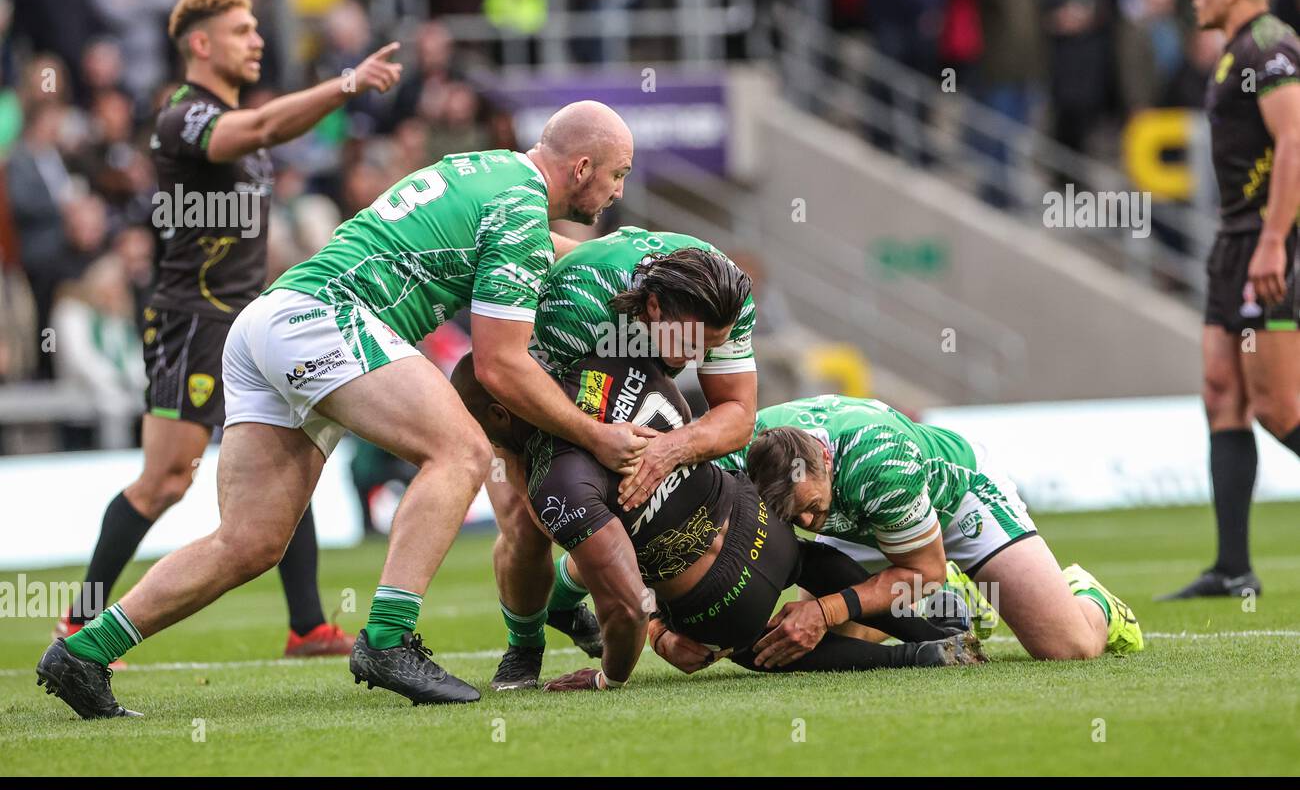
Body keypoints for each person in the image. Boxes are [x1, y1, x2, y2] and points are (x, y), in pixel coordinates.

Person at [36, 99, 650, 719]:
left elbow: (551, 252)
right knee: (460, 452)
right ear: (580, 166)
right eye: (617, 173)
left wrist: (639, 260)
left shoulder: (490, 173)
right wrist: (594, 436)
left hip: (268, 322)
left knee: (247, 543)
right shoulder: (518, 207)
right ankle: (387, 639)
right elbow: (499, 367)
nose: (618, 190)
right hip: (325, 319)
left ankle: (83, 653)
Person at [57, 0, 402, 659]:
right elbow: (267, 127)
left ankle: (306, 627)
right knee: (165, 480)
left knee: (290, 453)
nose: (258, 40)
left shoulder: (239, 124)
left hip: (249, 320)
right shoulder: (181, 117)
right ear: (201, 44)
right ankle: (78, 620)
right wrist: (346, 84)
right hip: (193, 321)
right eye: (243, 30)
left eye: (256, 28)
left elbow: (269, 132)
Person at [451, 354, 985, 692]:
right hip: (761, 525)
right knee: (811, 558)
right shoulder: (609, 367)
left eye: (486, 432)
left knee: (751, 645)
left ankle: (913, 658)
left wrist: (616, 669)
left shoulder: (554, 485)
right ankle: (944, 633)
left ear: (499, 418)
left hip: (718, 604)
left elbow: (626, 602)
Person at [488, 229, 759, 690]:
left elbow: (738, 414)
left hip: (629, 376)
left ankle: (566, 599)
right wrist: (592, 438)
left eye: (709, 347)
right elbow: (512, 393)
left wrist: (671, 448)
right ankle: (524, 645)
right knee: (525, 521)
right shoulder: (574, 303)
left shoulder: (726, 298)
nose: (697, 359)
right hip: (542, 385)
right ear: (653, 307)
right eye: (690, 343)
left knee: (631, 497)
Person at [701, 395, 1143, 665]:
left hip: (958, 502)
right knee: (835, 643)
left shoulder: (881, 463)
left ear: (826, 460)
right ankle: (954, 602)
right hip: (868, 522)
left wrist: (826, 609)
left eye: (812, 510)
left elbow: (923, 569)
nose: (808, 526)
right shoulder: (741, 451)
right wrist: (666, 626)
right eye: (792, 517)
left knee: (1068, 647)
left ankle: (1089, 597)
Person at [1161, 0, 1300, 600]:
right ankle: (1232, 567)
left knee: (1278, 408)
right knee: (1223, 395)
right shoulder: (1234, 51)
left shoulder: (1269, 46)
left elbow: (1296, 140)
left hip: (1267, 242)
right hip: (1234, 241)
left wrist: (1274, 241)